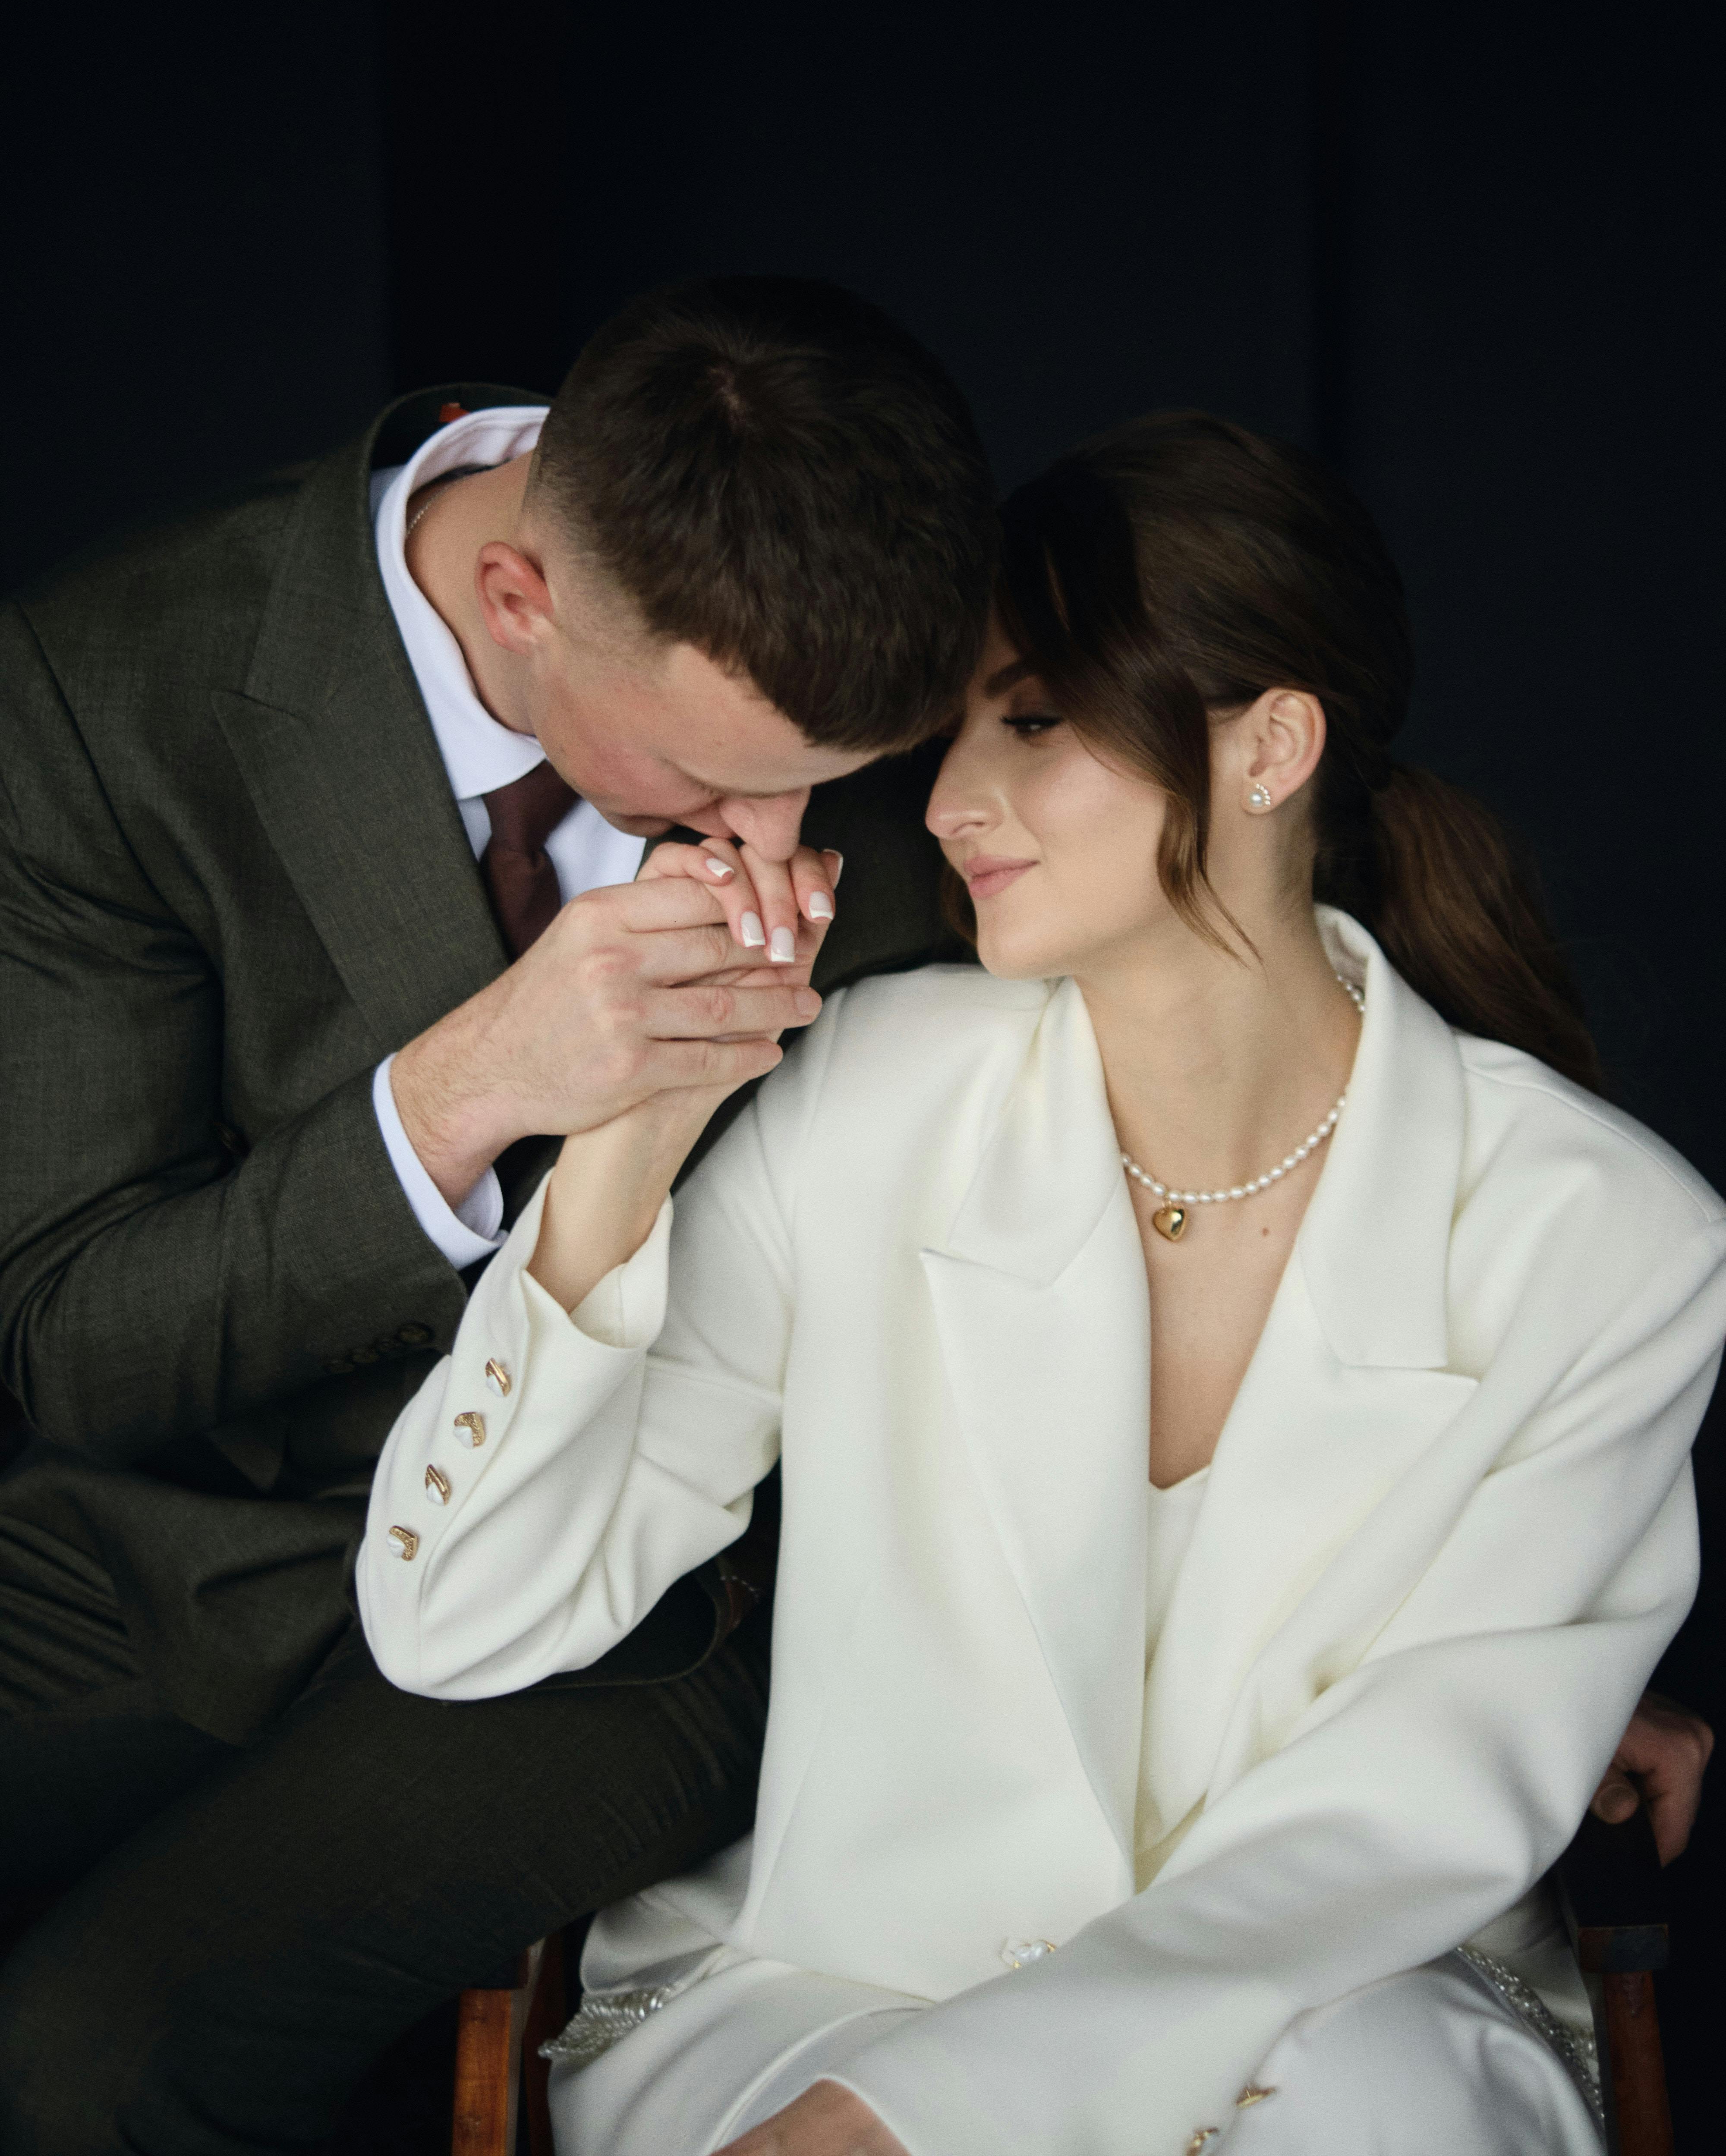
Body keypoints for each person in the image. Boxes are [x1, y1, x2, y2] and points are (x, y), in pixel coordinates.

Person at [361, 414, 1726, 2156]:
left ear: (1268, 747)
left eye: (1029, 719)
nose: (945, 803)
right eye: (947, 733)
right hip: (839, 1982)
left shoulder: (1607, 1240)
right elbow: (461, 1613)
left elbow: (1403, 1817)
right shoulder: (869, 1091)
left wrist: (920, 2115)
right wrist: (640, 1128)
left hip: (1334, 2020)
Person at [0, 277, 995, 2153]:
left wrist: (1415, 1607)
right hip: (174, 1533)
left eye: (828, 784)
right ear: (519, 603)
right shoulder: (103, 694)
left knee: (91, 2057)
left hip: (640, 1603)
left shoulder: (894, 665)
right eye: (709, 780)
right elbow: (67, 1338)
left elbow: (1210, 1080)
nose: (779, 835)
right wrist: (468, 1092)